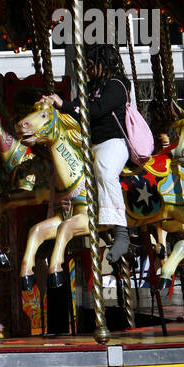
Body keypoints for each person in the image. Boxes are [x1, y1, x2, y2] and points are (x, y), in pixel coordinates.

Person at [46, 44, 131, 264]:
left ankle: (122, 232)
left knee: (105, 171)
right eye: (88, 66)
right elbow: (78, 106)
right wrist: (59, 105)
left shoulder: (117, 85)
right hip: (92, 144)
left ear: (105, 64)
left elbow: (95, 110)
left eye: (92, 65)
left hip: (113, 143)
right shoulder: (93, 86)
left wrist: (65, 105)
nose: (89, 70)